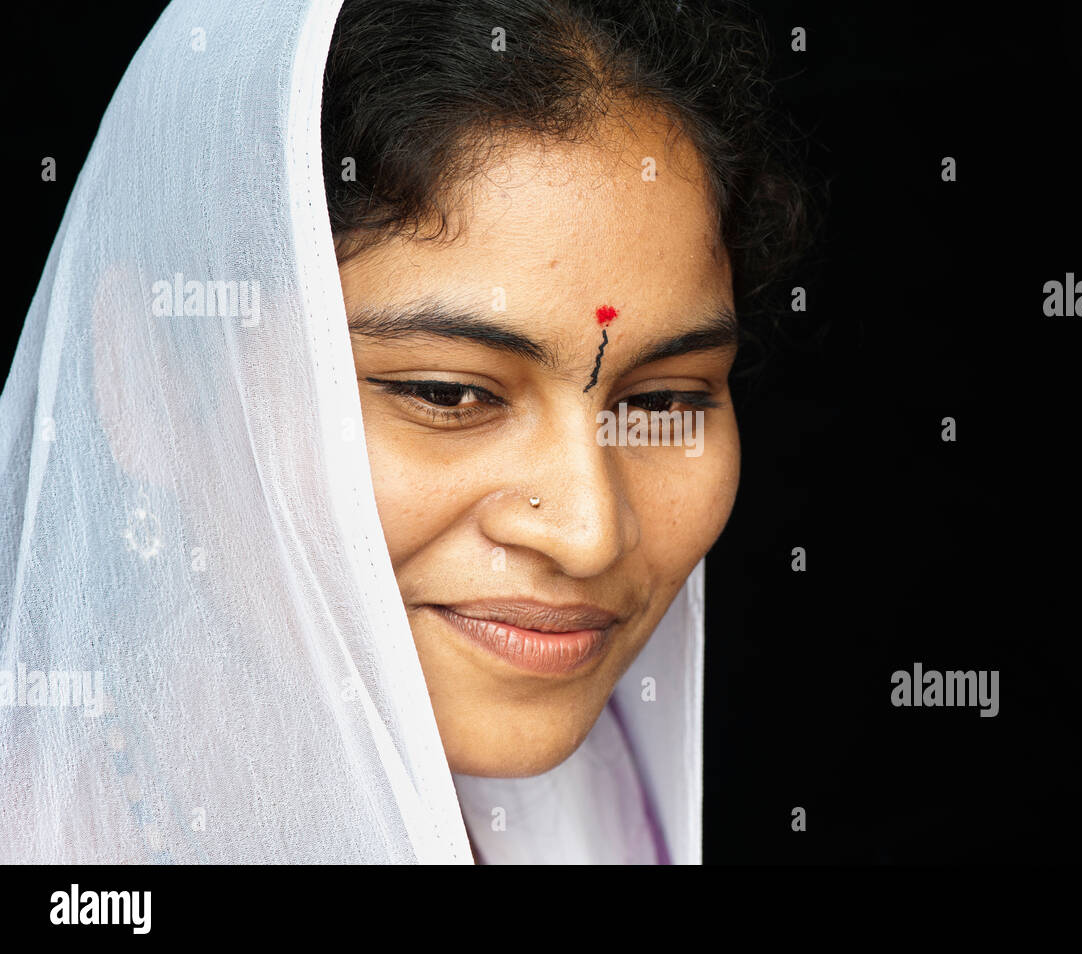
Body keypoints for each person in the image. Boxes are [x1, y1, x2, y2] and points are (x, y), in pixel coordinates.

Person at [0, 0, 809, 864]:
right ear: (147, 381)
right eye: (448, 394)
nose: (589, 533)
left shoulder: (584, 822)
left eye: (660, 403)